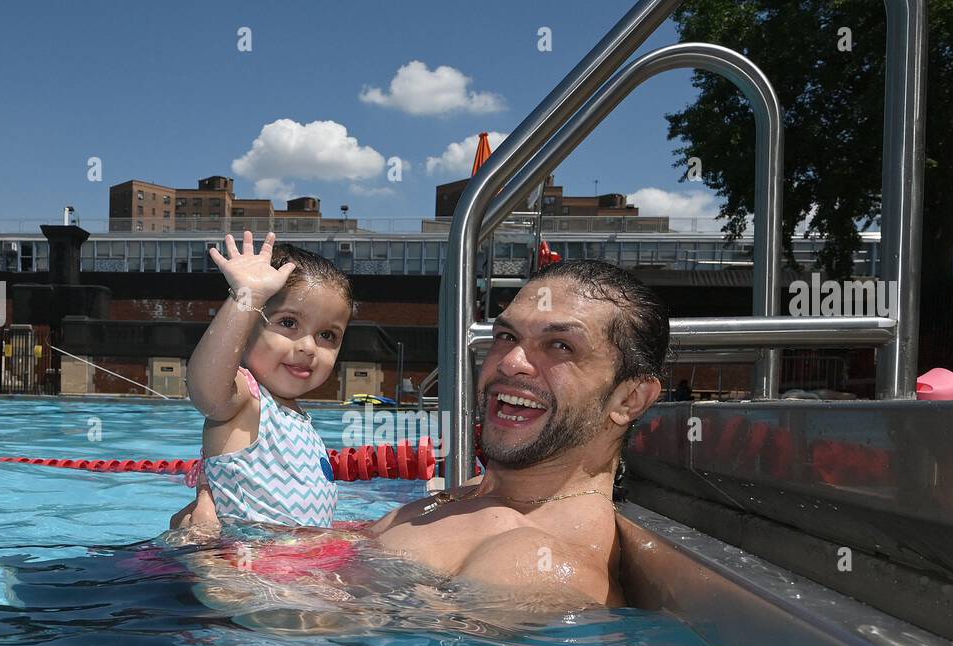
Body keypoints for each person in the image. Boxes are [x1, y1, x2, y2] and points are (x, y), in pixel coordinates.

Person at [172, 259, 667, 608]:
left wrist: (209, 566)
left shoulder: (530, 560)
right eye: (506, 337)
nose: (511, 363)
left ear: (630, 399)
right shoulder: (472, 500)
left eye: (559, 345)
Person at [180, 231, 353, 528]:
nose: (308, 347)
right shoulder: (245, 399)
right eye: (288, 323)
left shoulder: (298, 419)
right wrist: (247, 296)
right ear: (245, 331)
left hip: (286, 566)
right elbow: (205, 390)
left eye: (327, 335)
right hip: (240, 567)